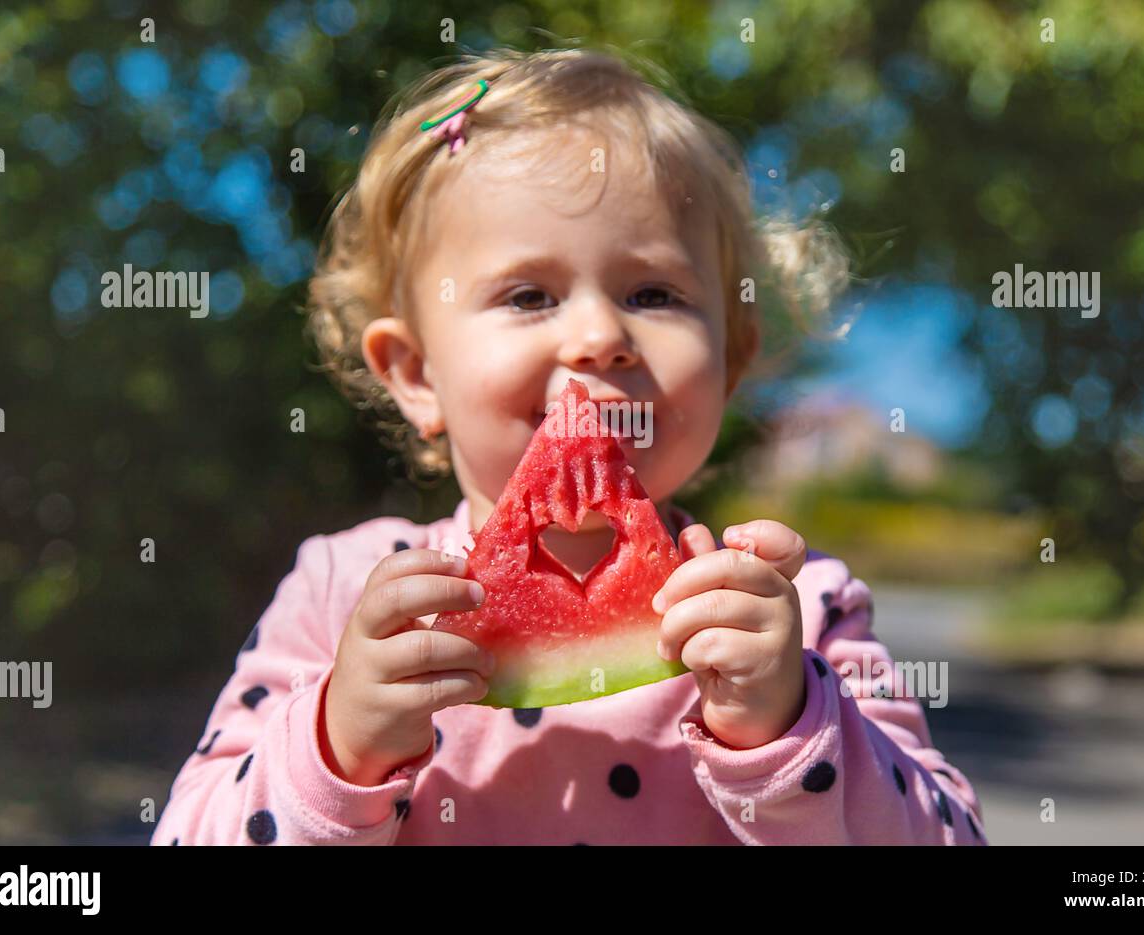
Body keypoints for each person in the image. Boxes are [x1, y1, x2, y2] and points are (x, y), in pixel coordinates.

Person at [151, 47, 985, 845]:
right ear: (414, 372)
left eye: (653, 292)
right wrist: (336, 744)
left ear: (730, 359)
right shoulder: (339, 596)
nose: (597, 336)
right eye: (528, 295)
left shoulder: (804, 610)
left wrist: (795, 724)